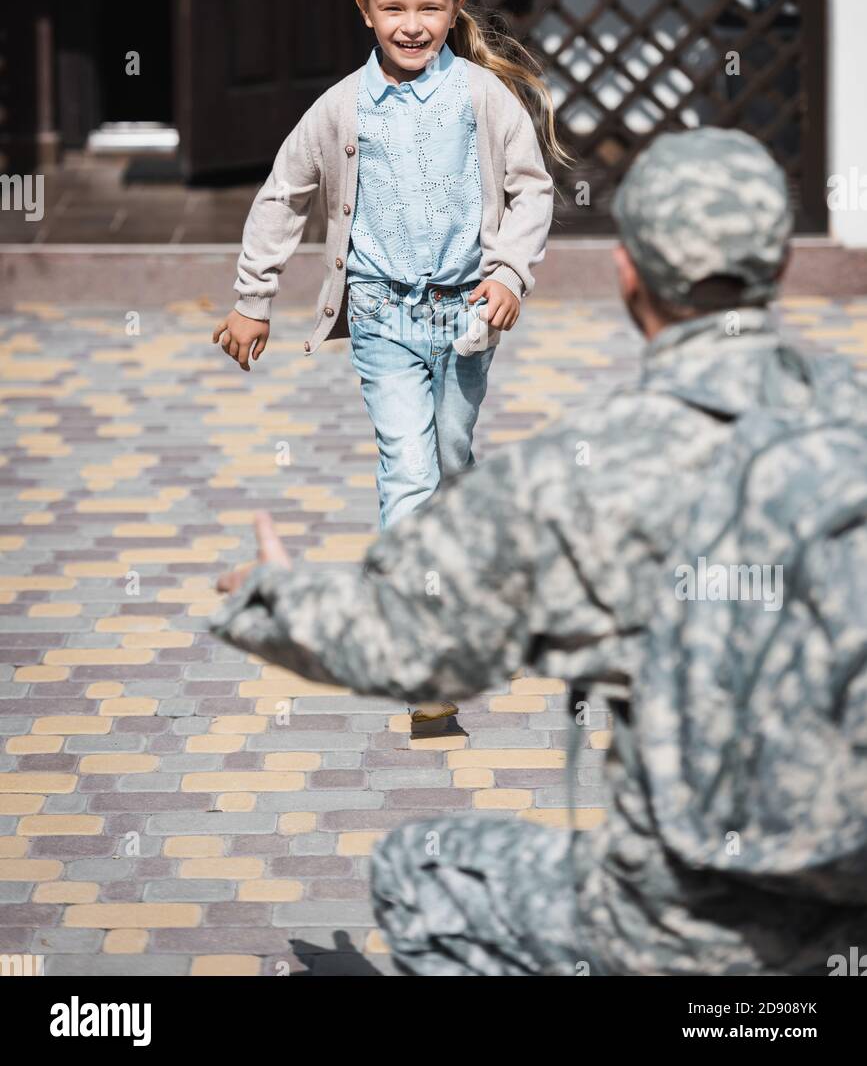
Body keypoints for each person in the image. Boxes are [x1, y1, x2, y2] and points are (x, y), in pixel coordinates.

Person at [210, 127, 867, 976]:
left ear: (628, 275)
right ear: (775, 272)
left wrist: (277, 595)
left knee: (426, 870)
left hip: (672, 931)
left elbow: (412, 647)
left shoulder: (578, 472)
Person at [212, 0, 559, 725]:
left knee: (450, 460)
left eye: (429, 8)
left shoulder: (481, 97)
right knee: (407, 469)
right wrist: (250, 297)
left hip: (465, 316)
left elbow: (532, 189)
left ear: (454, 9)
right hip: (379, 315)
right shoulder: (340, 109)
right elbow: (280, 197)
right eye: (394, 8)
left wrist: (508, 271)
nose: (412, 24)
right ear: (364, 9)